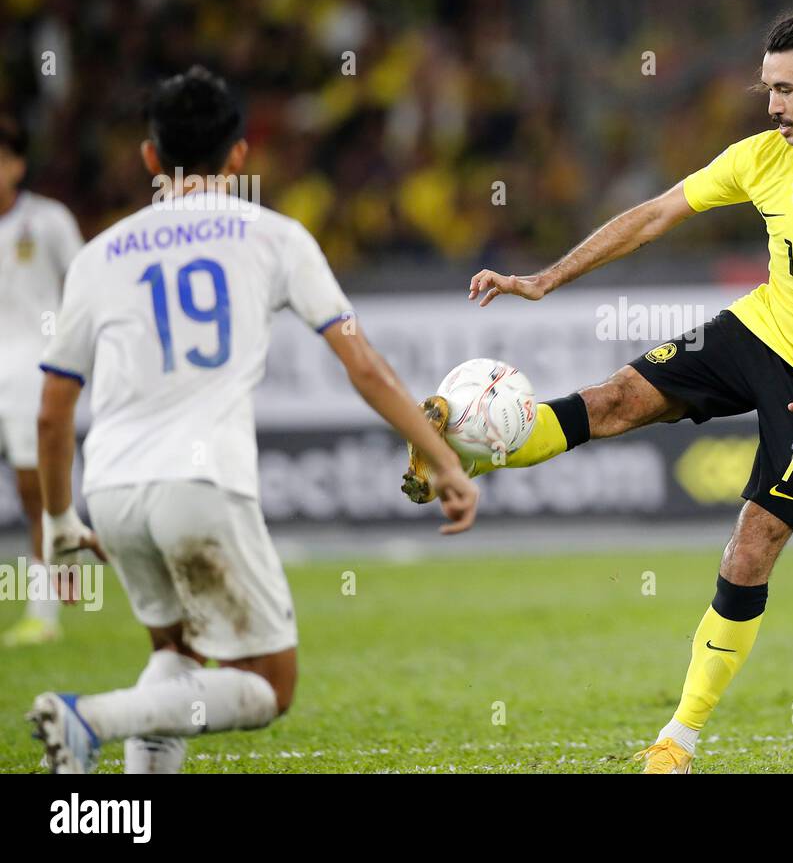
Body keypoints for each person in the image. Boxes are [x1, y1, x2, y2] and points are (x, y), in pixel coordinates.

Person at [405, 3, 793, 773]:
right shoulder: (763, 157)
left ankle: (678, 739)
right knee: (613, 399)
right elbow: (655, 215)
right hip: (755, 331)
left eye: (787, 90)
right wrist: (546, 278)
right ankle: (463, 455)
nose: (771, 106)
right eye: (767, 88)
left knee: (751, 548)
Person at [28, 66, 477, 774]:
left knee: (176, 653)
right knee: (270, 683)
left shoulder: (98, 255)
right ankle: (90, 718)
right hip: (202, 481)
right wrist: (444, 461)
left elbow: (53, 414)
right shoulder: (274, 237)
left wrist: (56, 521)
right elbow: (362, 365)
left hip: (110, 491)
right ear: (240, 155)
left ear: (151, 158)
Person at [0, 115, 83, 647]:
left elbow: (85, 286)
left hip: (31, 375)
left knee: (37, 493)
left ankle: (43, 612)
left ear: (17, 164)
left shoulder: (48, 221)